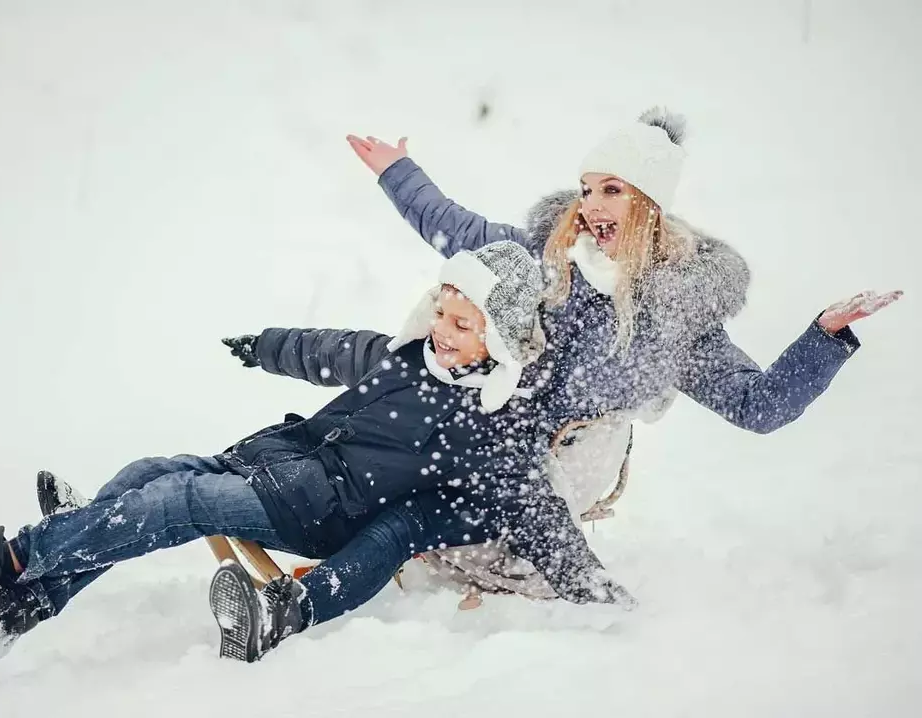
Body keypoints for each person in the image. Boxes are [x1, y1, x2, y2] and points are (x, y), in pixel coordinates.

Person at [0, 241, 627, 673]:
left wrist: (594, 588)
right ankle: (10, 615)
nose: (442, 330)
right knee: (151, 473)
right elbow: (330, 351)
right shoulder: (405, 357)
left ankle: (1, 563)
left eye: (464, 323)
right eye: (441, 311)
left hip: (319, 511)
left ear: (497, 334)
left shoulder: (486, 426)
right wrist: (266, 345)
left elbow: (534, 510)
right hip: (282, 463)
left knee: (179, 502)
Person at [333, 107, 902, 602]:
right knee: (445, 316)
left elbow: (759, 407)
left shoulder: (676, 309)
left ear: (649, 203)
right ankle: (366, 519)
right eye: (586, 188)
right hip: (510, 432)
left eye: (612, 189)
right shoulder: (549, 254)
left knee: (479, 504)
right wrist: (397, 171)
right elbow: (455, 228)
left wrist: (824, 336)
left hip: (580, 451)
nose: (590, 204)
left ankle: (514, 563)